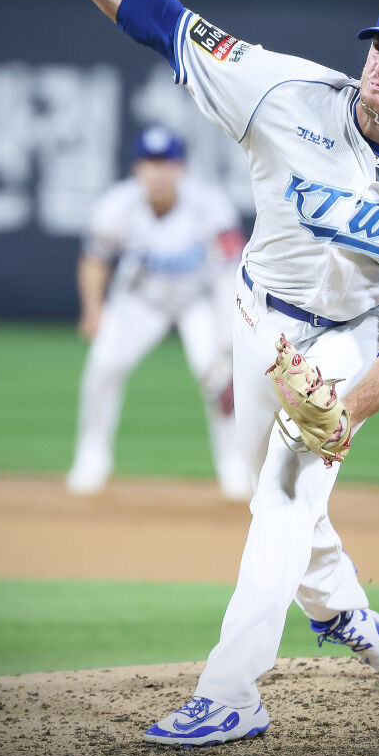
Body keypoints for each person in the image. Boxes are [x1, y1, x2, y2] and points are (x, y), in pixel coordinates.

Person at [0, 0, 379, 748]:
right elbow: (158, 15)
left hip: (344, 342)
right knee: (284, 498)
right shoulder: (285, 93)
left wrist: (344, 407)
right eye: (376, 49)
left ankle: (233, 692)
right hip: (253, 319)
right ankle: (341, 607)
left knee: (284, 498)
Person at [67, 123, 251, 502]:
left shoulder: (209, 205)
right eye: (150, 162)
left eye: (166, 162)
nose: (158, 171)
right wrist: (93, 309)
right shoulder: (118, 204)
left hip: (198, 300)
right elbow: (94, 260)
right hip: (141, 301)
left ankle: (234, 467)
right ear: (138, 169)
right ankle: (91, 460)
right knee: (102, 366)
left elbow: (230, 273)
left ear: (181, 167)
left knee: (221, 378)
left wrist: (228, 331)